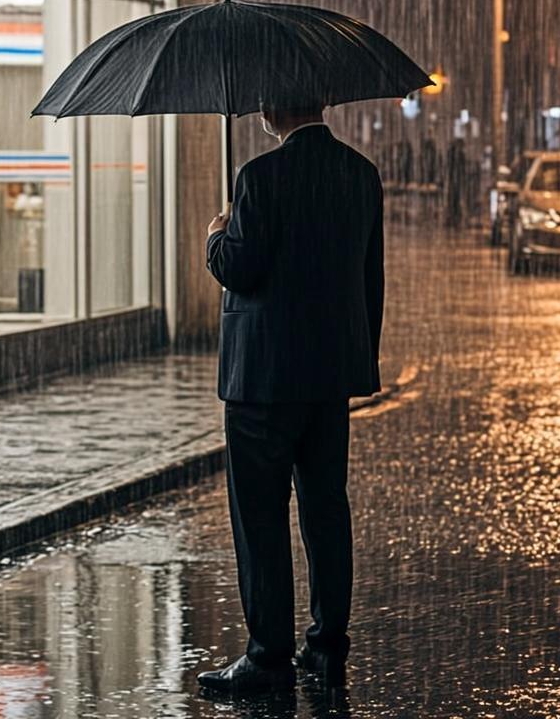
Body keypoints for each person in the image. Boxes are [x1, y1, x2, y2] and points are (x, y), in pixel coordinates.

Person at [198, 101, 384, 696]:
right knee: (326, 509)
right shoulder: (360, 173)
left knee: (260, 518)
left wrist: (217, 236)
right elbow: (369, 276)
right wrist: (358, 357)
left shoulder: (260, 176)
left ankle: (268, 655)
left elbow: (241, 269)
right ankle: (328, 646)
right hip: (329, 374)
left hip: (263, 381)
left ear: (276, 108)